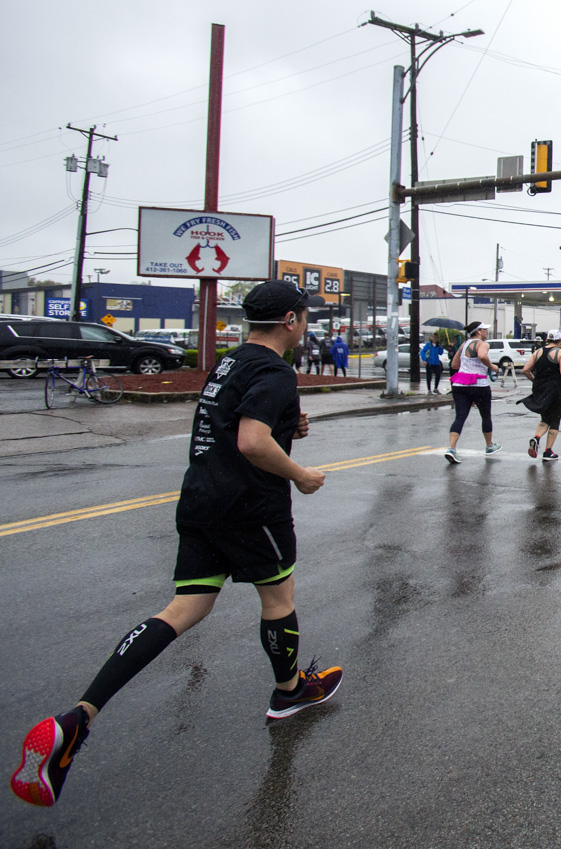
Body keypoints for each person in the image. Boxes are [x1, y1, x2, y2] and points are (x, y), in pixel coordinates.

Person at [10, 281, 342, 809]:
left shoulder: (230, 363)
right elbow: (251, 441)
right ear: (290, 320)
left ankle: (78, 718)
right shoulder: (275, 370)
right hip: (251, 508)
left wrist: (288, 426)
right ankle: (288, 692)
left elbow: (233, 424)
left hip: (201, 501)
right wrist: (300, 474)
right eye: (304, 315)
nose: (306, 323)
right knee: (278, 599)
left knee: (184, 608)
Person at [445, 321, 501, 464]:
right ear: (478, 332)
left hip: (460, 384)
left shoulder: (463, 345)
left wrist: (468, 366)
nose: (486, 332)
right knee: (485, 416)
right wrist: (492, 367)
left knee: (460, 417)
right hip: (479, 384)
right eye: (484, 329)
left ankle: (452, 448)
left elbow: (454, 365)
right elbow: (482, 356)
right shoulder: (483, 344)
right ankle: (489, 446)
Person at [518, 328, 561, 461]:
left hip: (541, 390)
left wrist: (535, 381)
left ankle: (536, 437)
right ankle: (547, 451)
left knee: (545, 418)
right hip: (556, 390)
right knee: (555, 420)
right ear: (560, 340)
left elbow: (526, 370)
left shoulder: (537, 352)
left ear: (547, 339)